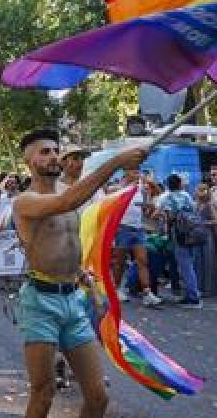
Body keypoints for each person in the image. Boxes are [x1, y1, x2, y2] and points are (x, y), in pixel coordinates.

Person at [11, 127, 146, 418]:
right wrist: (117, 161)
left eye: (55, 150)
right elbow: (65, 204)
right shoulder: (25, 201)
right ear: (28, 160)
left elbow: (67, 238)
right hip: (39, 304)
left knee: (98, 398)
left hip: (73, 300)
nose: (53, 156)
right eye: (44, 152)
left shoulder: (67, 191)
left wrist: (82, 273)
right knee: (43, 393)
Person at [111, 167, 162, 307]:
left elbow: (156, 193)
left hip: (138, 228)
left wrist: (148, 183)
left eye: (138, 171)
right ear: (126, 172)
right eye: (134, 171)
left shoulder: (141, 187)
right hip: (122, 228)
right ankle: (116, 289)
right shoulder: (119, 187)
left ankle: (147, 292)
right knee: (119, 262)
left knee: (142, 260)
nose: (137, 174)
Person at [158, 174, 203, 308]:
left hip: (178, 234)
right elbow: (194, 211)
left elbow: (169, 217)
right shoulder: (187, 196)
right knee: (189, 263)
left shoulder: (167, 198)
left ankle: (193, 297)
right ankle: (192, 292)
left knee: (185, 265)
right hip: (192, 232)